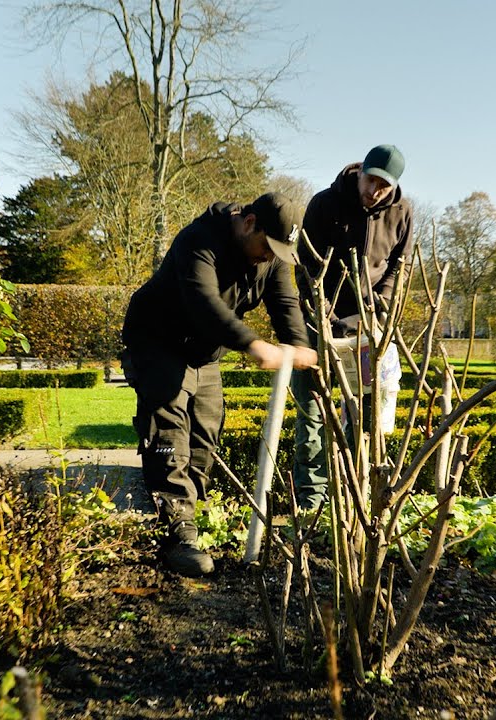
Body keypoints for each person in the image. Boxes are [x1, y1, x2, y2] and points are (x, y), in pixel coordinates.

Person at [121, 192, 318, 577]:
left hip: (204, 352)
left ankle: (189, 521)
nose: (269, 257)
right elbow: (203, 302)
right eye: (267, 246)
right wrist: (251, 343)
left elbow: (284, 302)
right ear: (248, 223)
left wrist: (301, 348)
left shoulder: (271, 257)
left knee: (205, 433)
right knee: (169, 431)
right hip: (157, 341)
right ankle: (176, 535)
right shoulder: (198, 240)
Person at [291, 145, 414, 513]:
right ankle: (311, 501)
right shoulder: (325, 204)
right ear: (360, 171)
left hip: (367, 328)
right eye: (372, 180)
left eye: (384, 186)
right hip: (319, 324)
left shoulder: (402, 213)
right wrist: (321, 311)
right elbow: (306, 263)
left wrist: (380, 305)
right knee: (311, 414)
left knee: (361, 416)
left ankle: (348, 500)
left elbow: (399, 264)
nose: (375, 190)